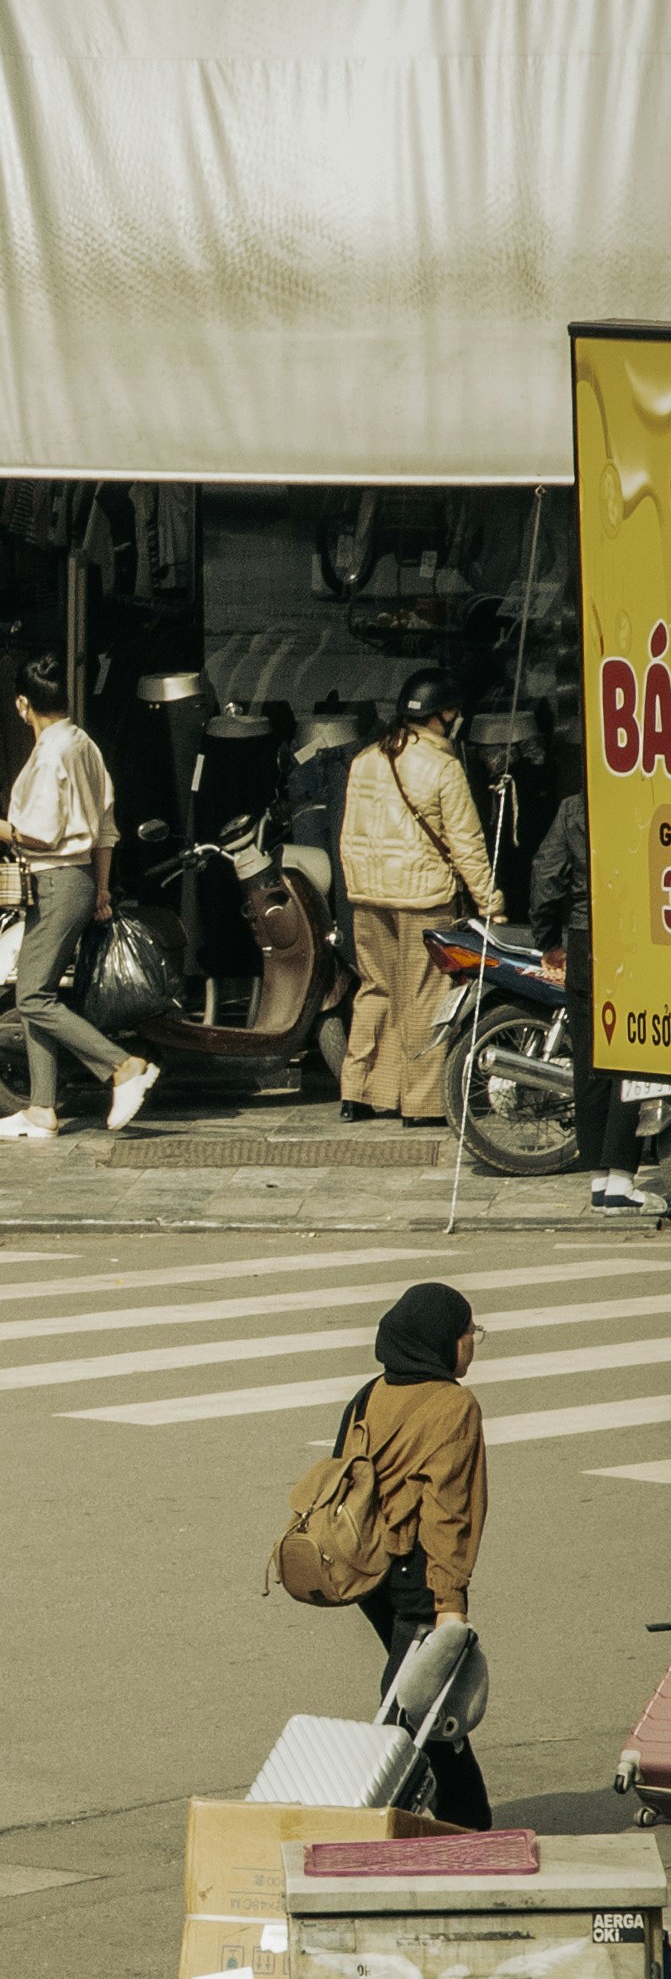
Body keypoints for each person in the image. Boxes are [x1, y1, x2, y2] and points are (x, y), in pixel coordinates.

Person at [0, 655, 157, 1144]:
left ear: (23, 705)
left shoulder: (50, 755)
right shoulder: (83, 743)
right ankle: (41, 1108)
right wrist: (101, 888)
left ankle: (123, 1067)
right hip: (79, 880)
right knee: (37, 991)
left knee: (34, 996)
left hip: (57, 881)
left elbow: (36, 835)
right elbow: (106, 827)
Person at [338, 1281, 493, 1831]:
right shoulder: (454, 1406)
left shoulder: (371, 1392)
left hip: (371, 1573)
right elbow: (448, 1513)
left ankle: (468, 1823)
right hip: (419, 1578)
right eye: (468, 1333)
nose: (472, 1343)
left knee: (433, 1707)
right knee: (414, 1713)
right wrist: (451, 1605)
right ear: (442, 1342)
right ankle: (383, 1823)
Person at [336, 669, 500, 1127]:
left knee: (376, 992)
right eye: (453, 712)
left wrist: (357, 885)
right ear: (440, 716)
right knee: (426, 999)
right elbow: (467, 844)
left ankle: (361, 1092)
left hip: (368, 898)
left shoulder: (366, 758)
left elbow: (348, 833)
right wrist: (490, 901)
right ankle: (422, 1104)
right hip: (423, 899)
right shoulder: (444, 767)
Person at [528, 778, 651, 1213]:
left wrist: (548, 940)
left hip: (583, 938)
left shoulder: (575, 807)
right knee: (635, 1052)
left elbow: (546, 874)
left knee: (591, 1057)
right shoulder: (651, 798)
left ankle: (600, 1177)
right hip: (638, 936)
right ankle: (620, 1176)